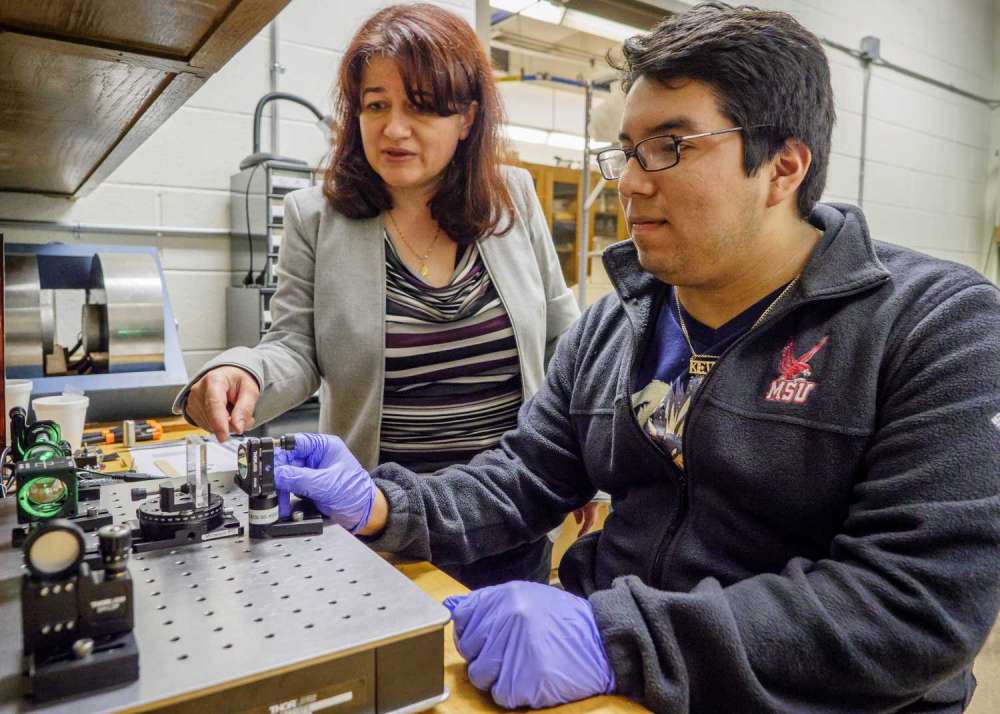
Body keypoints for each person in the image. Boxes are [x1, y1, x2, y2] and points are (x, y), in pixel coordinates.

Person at [269, 2, 1000, 711]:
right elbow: (525, 476)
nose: (630, 182)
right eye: (627, 151)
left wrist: (613, 639)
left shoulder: (937, 328)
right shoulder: (617, 324)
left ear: (783, 167)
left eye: (670, 148)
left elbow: (915, 604)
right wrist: (386, 503)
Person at [174, 4, 584, 588]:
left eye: (419, 105)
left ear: (466, 117)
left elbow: (566, 345)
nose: (393, 128)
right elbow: (294, 345)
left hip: (508, 514)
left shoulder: (512, 198)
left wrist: (580, 469)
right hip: (379, 518)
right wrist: (243, 372)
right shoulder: (316, 216)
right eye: (375, 104)